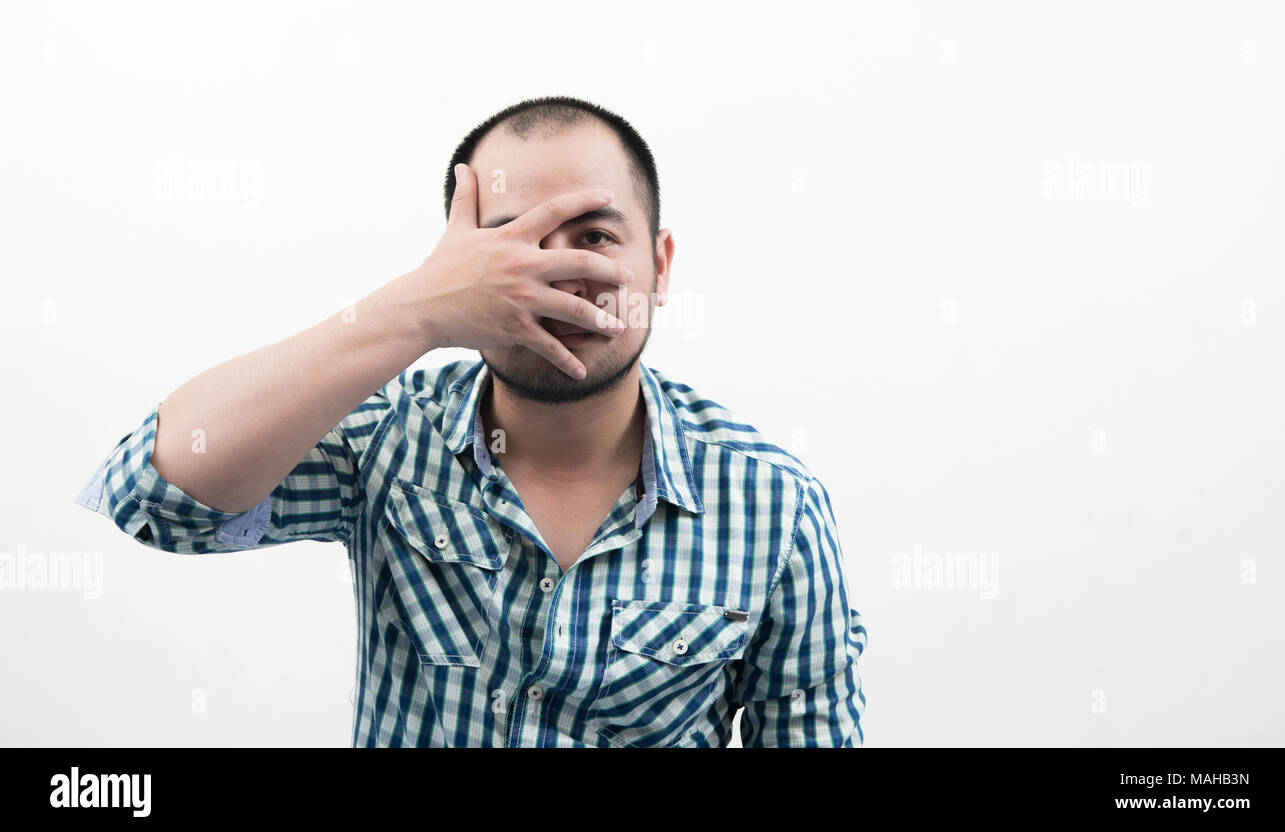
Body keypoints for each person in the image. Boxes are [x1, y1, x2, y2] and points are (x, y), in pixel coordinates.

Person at [75, 95, 868, 747]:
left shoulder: (773, 505)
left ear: (659, 268)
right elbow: (151, 495)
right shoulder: (393, 435)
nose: (554, 280)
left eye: (594, 238)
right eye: (509, 249)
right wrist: (415, 310)